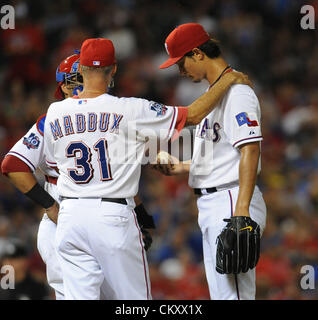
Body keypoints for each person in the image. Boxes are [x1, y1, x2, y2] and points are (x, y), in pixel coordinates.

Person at [43, 37, 251, 300]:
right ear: (114, 69)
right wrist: (227, 80)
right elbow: (193, 116)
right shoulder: (129, 108)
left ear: (81, 69)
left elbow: (72, 156)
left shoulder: (54, 112)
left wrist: (138, 151)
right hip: (112, 215)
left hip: (70, 216)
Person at [157, 23, 267, 300]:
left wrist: (240, 213)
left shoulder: (237, 92)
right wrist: (179, 166)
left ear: (197, 53)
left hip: (231, 199)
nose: (181, 72)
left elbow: (250, 151)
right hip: (213, 201)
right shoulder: (214, 95)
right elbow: (218, 157)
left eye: (181, 63)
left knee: (235, 296)